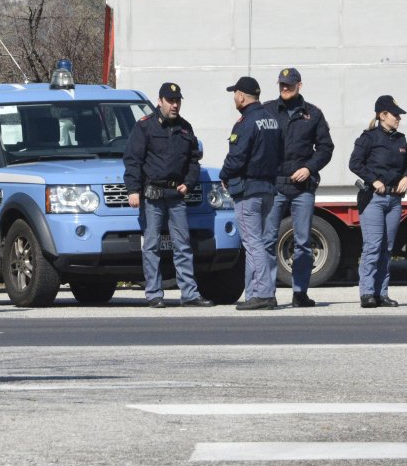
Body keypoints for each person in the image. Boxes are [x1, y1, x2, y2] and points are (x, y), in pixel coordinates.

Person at [123, 82, 214, 308]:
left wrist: (189, 183)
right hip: (152, 194)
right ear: (160, 101)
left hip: (176, 195)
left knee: (183, 245)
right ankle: (154, 293)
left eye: (177, 101)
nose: (175, 105)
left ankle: (189, 294)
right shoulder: (145, 127)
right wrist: (133, 190)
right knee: (152, 245)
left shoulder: (185, 128)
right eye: (170, 101)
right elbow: (133, 160)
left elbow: (193, 161)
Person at [263, 67, 334, 307]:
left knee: (303, 243)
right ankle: (267, 293)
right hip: (274, 186)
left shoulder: (313, 114)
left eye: (289, 85)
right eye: (282, 84)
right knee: (268, 240)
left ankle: (300, 292)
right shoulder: (268, 110)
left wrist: (310, 168)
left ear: (299, 86)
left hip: (302, 187)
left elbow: (326, 148)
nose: (284, 88)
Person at [219, 76, 282, 310]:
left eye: (234, 93)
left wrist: (224, 175)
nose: (234, 97)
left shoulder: (246, 122)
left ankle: (263, 293)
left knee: (252, 243)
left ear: (242, 96)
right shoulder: (272, 120)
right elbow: (281, 153)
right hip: (268, 189)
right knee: (261, 243)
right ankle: (254, 293)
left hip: (248, 190)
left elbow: (237, 157)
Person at [349, 95, 407, 308]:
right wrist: (374, 180)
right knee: (373, 246)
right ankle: (367, 293)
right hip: (374, 199)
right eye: (395, 115)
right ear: (382, 115)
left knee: (387, 248)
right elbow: (355, 163)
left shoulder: (401, 139)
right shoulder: (369, 138)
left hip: (394, 200)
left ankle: (381, 293)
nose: (398, 119)